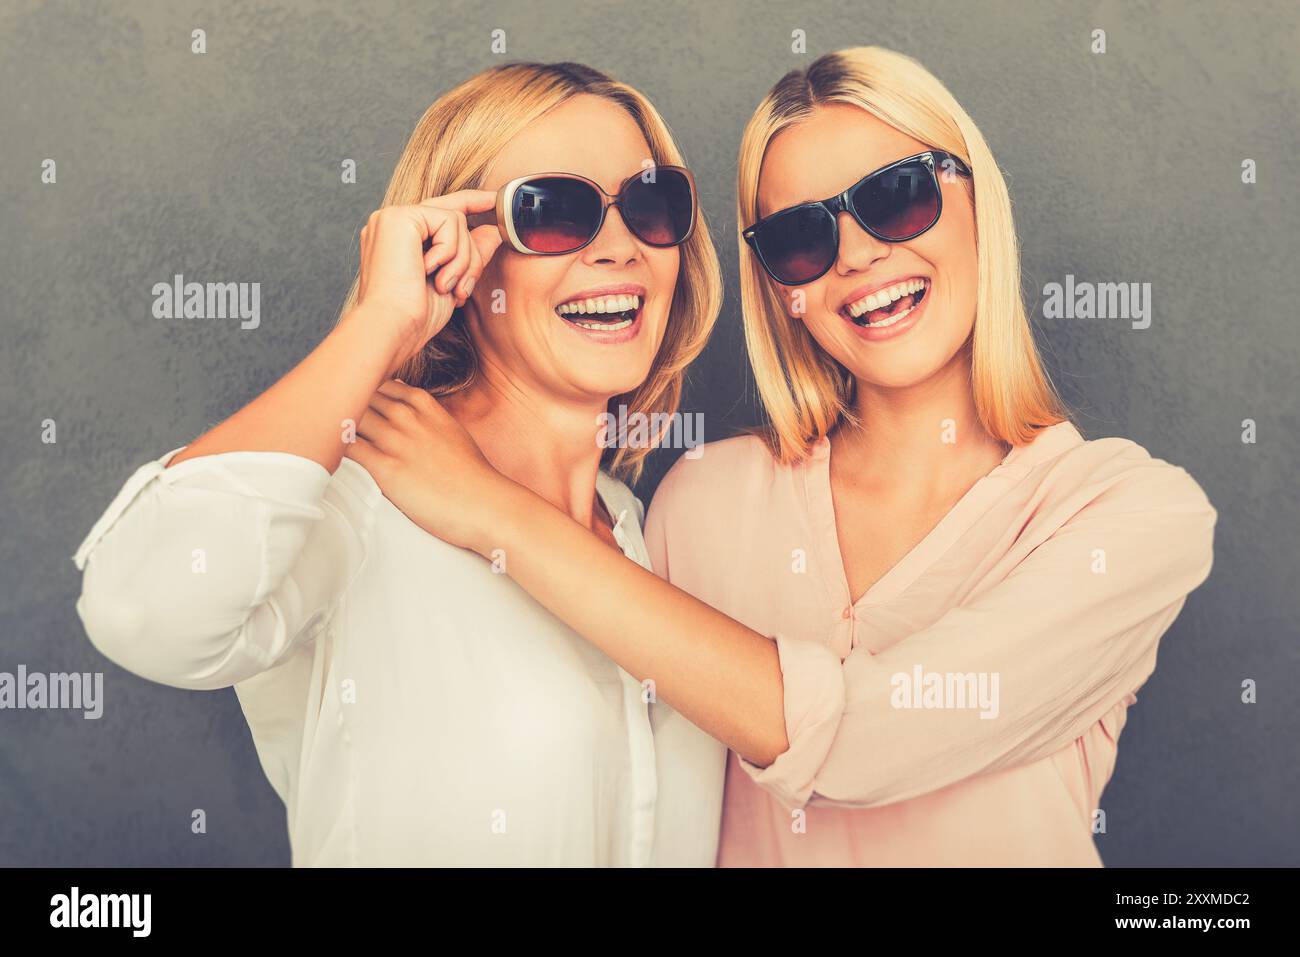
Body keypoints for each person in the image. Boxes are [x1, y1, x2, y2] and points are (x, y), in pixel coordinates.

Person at [349, 47, 1218, 867]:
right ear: (782, 288)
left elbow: (864, 740)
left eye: (898, 196)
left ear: (978, 198)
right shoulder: (697, 502)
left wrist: (496, 513)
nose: (859, 254)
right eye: (803, 236)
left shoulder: (1131, 518)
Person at [72, 61, 725, 866]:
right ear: (457, 250)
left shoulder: (642, 527)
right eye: (556, 211)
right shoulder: (360, 499)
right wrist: (383, 317)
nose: (620, 248)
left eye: (652, 203)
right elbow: (140, 608)